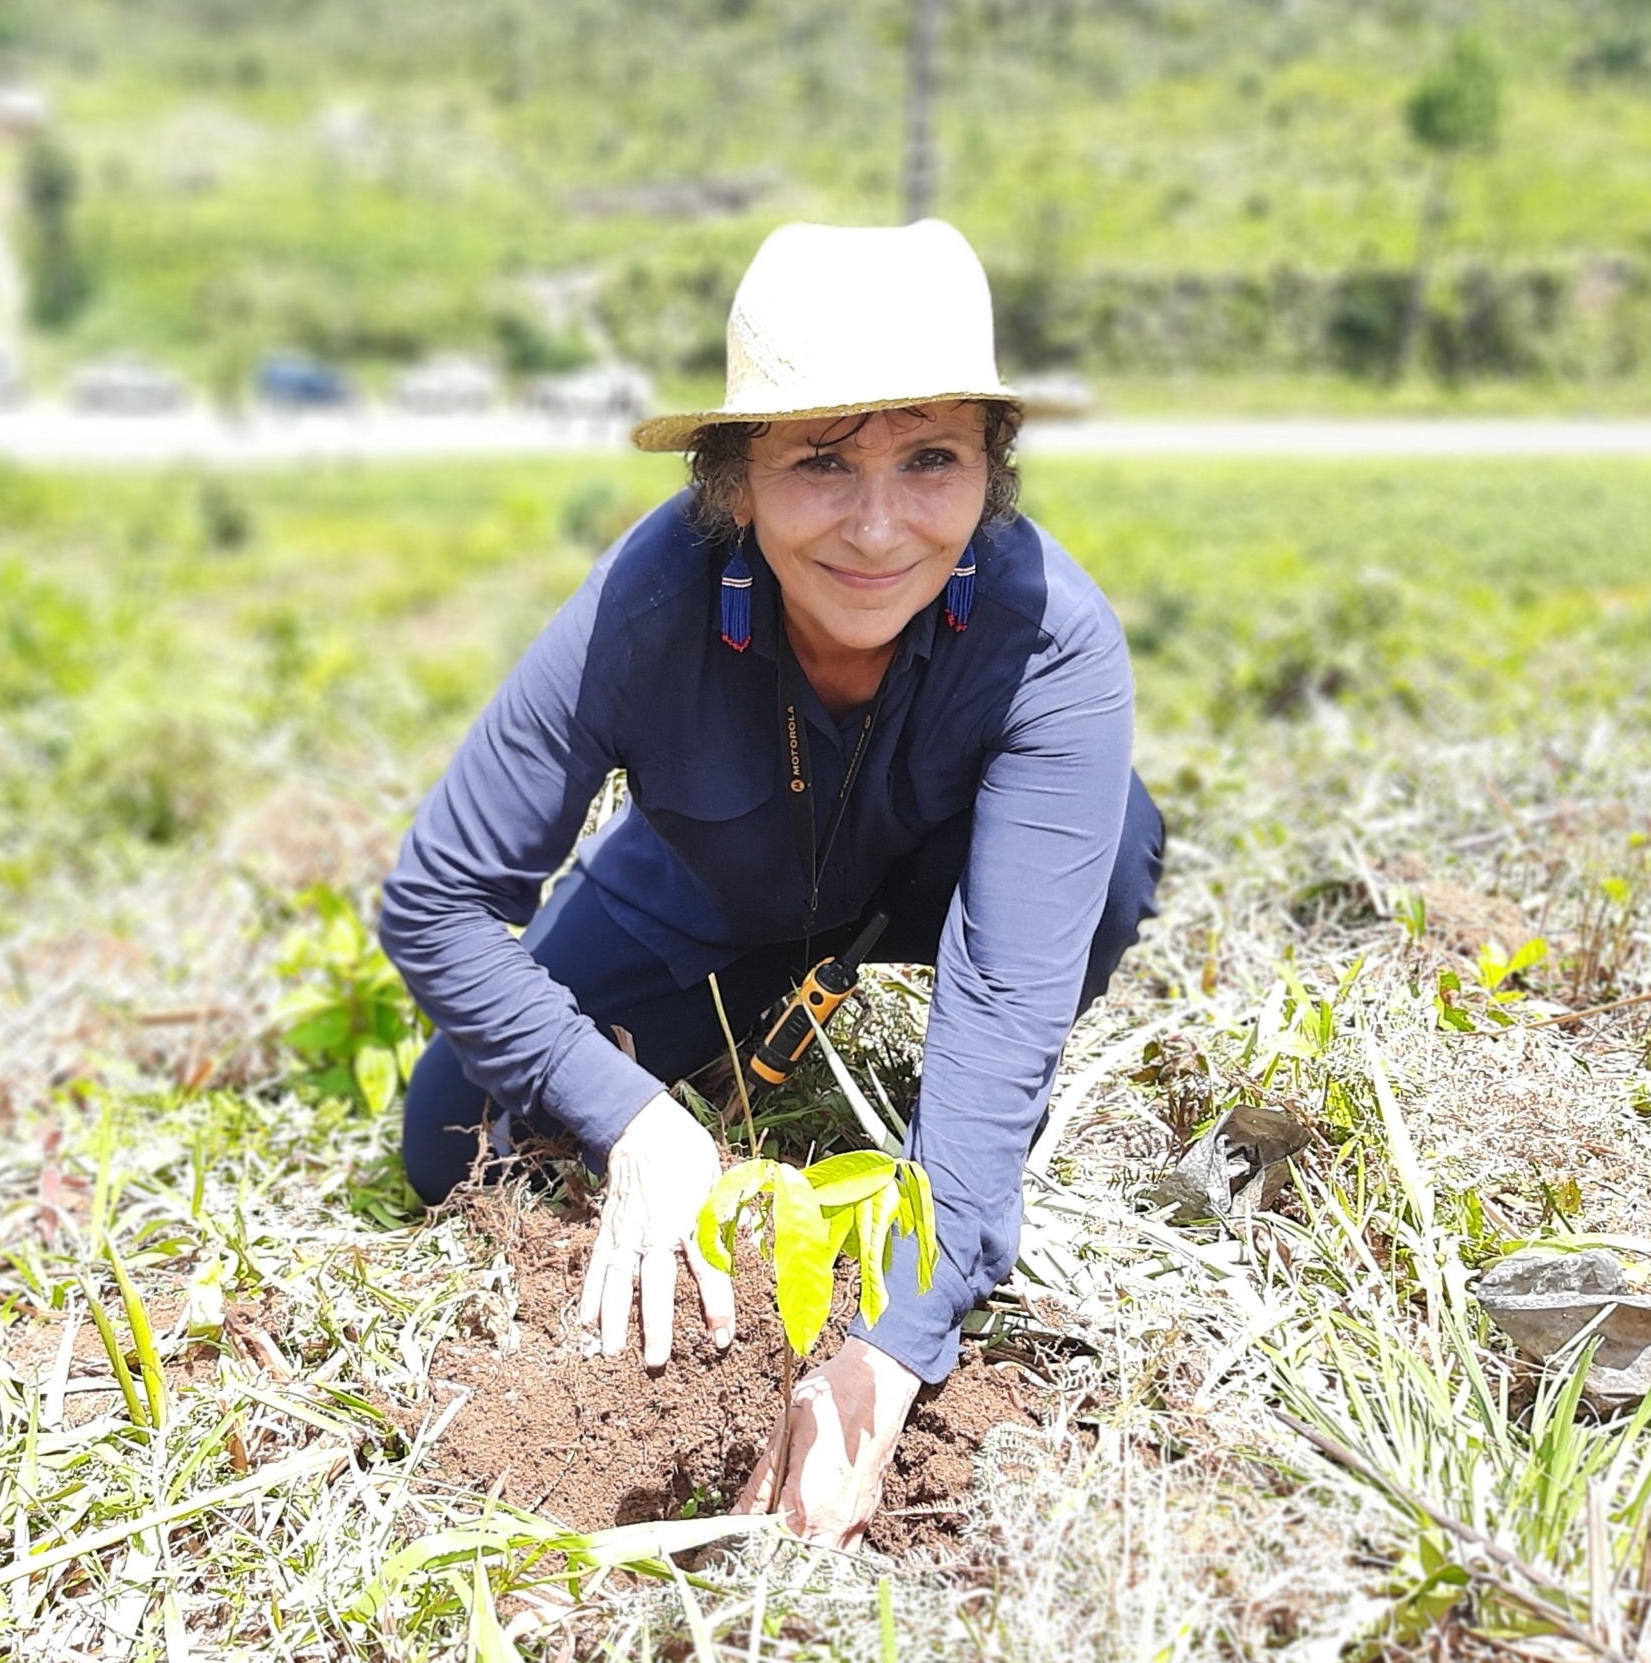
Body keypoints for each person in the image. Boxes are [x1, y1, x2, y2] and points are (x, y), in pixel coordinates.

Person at [379, 219, 1163, 1549]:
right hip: (700, 889)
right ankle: (726, 1037)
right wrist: (631, 1119)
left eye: (931, 460)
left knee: (1106, 861)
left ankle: (897, 1110)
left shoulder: (1051, 642)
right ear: (735, 480)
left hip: (938, 890)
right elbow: (435, 903)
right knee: (445, 1137)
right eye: (818, 463)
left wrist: (887, 1353)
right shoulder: (653, 603)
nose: (876, 526)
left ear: (992, 471)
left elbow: (1011, 998)